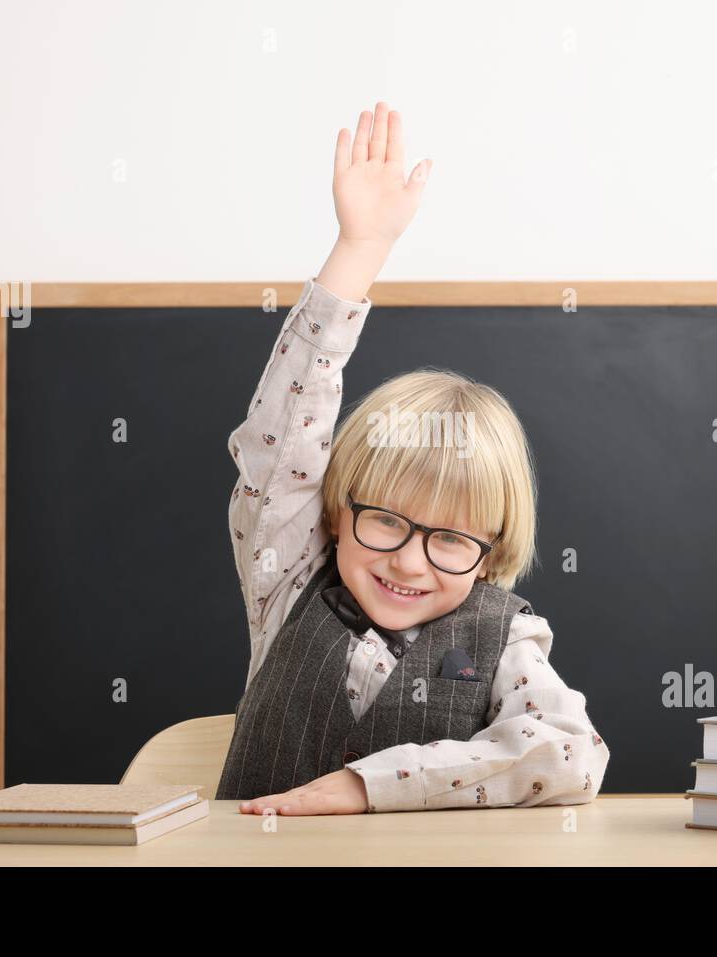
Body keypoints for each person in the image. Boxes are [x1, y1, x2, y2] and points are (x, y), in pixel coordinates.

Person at [215, 101, 609, 815]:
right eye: (388, 521)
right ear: (336, 515)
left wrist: (372, 783)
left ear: (488, 556)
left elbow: (570, 753)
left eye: (451, 539)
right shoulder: (288, 578)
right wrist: (359, 249)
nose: (408, 561)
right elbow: (281, 435)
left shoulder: (504, 639)